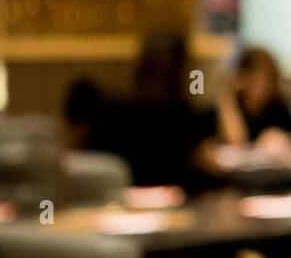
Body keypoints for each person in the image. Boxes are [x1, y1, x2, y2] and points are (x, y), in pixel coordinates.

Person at [73, 33, 219, 192]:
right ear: (181, 71)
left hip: (120, 207)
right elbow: (209, 173)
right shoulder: (188, 120)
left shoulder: (110, 114)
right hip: (177, 210)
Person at [216, 46, 291, 153]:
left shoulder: (278, 107)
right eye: (254, 79)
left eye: (265, 79)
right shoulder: (233, 104)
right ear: (242, 77)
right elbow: (236, 142)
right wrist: (227, 98)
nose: (260, 86)